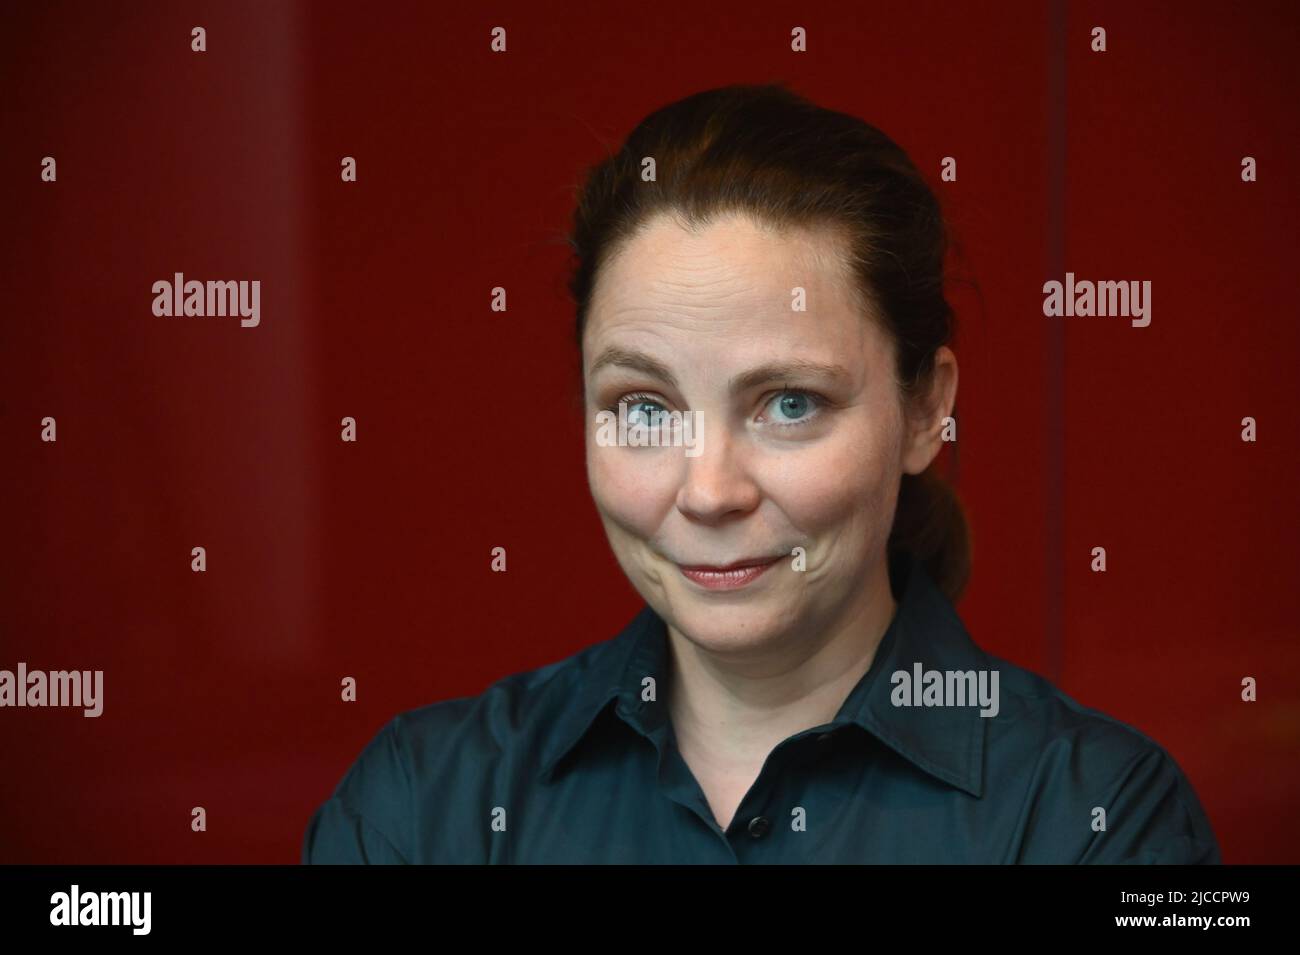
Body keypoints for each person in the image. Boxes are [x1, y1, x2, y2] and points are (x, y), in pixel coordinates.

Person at [302, 83, 1220, 863]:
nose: (708, 492)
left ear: (925, 410)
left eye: (789, 403)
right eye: (646, 409)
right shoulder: (423, 810)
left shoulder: (1098, 822)